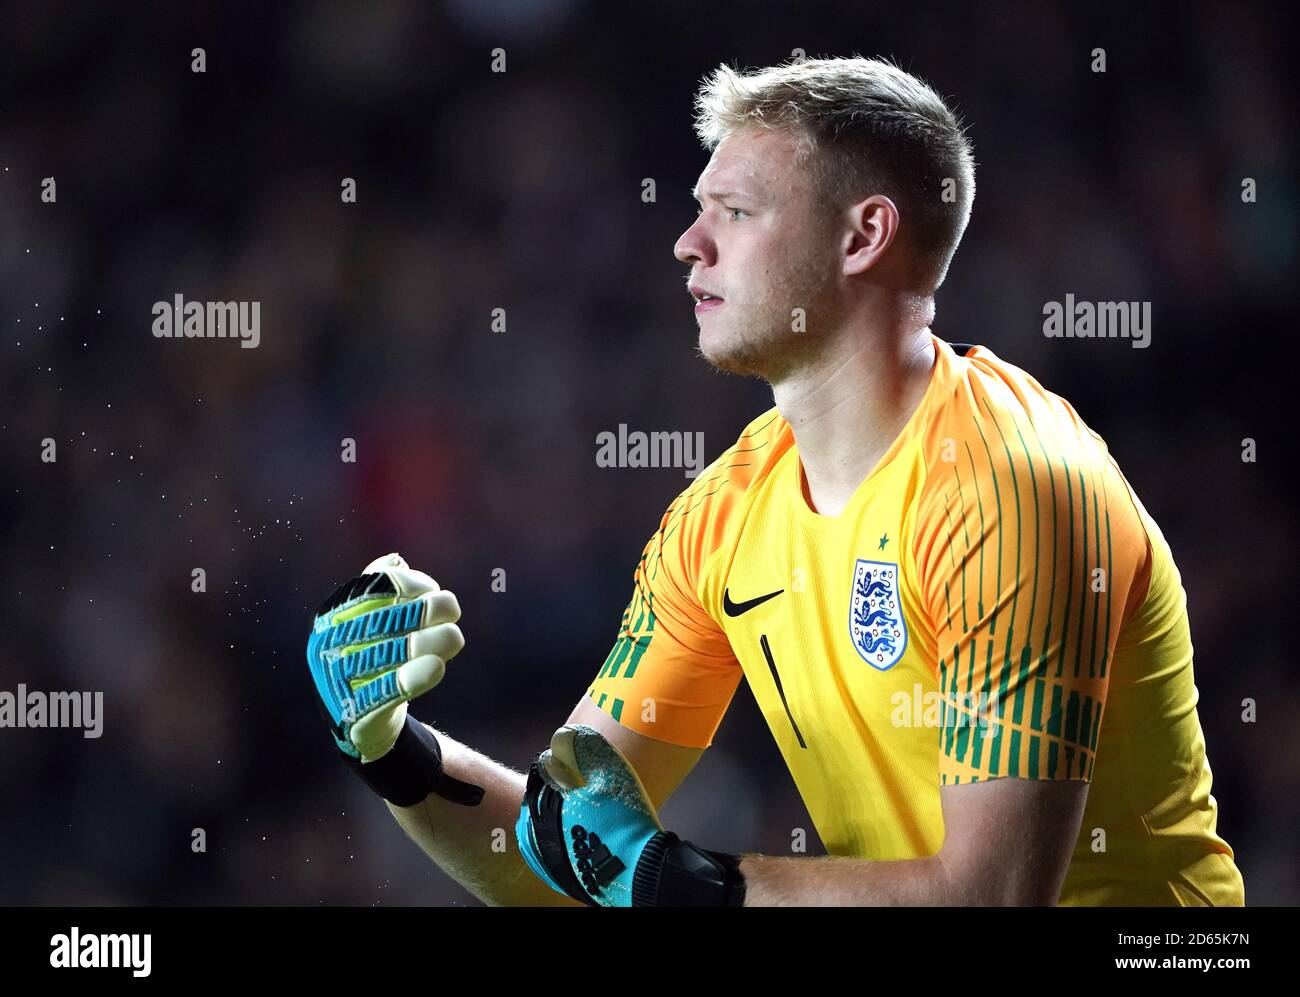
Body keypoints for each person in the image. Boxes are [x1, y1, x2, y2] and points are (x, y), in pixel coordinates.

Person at [306, 56, 1243, 907]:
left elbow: (991, 897)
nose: (687, 243)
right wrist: (392, 750)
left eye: (735, 212)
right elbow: (567, 857)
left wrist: (693, 887)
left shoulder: (1013, 490)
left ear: (864, 235)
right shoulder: (720, 518)